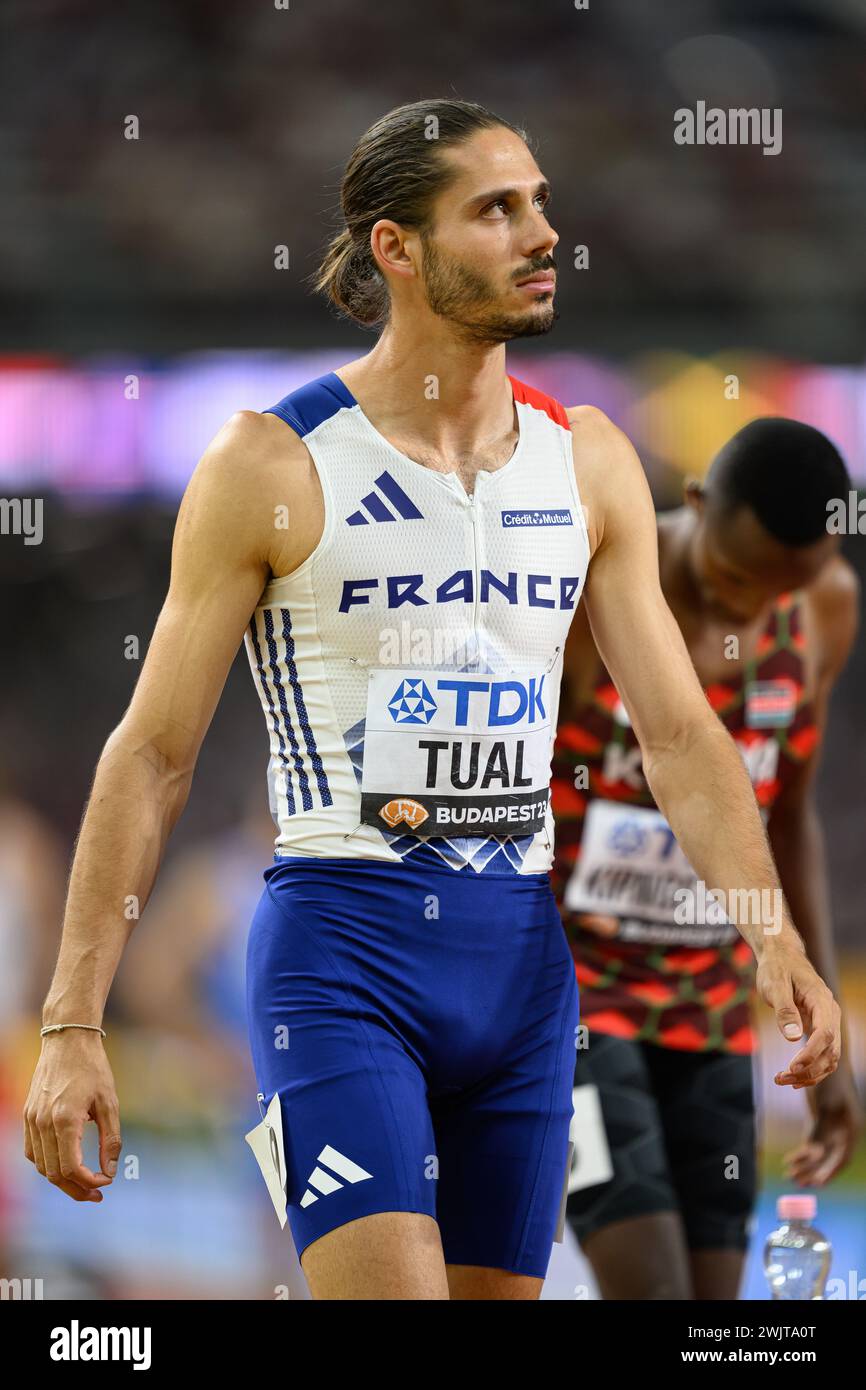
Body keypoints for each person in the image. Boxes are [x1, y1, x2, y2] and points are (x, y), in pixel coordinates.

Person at [23, 99, 841, 1302]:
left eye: (542, 201)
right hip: (343, 951)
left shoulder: (590, 459)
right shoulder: (271, 464)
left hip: (520, 965)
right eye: (496, 209)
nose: (541, 232)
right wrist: (70, 1022)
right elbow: (149, 755)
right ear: (395, 249)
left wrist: (770, 937)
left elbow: (676, 734)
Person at [550, 417, 862, 1299]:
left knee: (715, 1309)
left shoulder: (826, 606)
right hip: (577, 990)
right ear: (694, 506)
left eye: (777, 592)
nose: (747, 611)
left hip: (712, 998)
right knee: (649, 1288)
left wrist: (817, 1003)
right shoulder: (594, 588)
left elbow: (789, 814)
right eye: (733, 580)